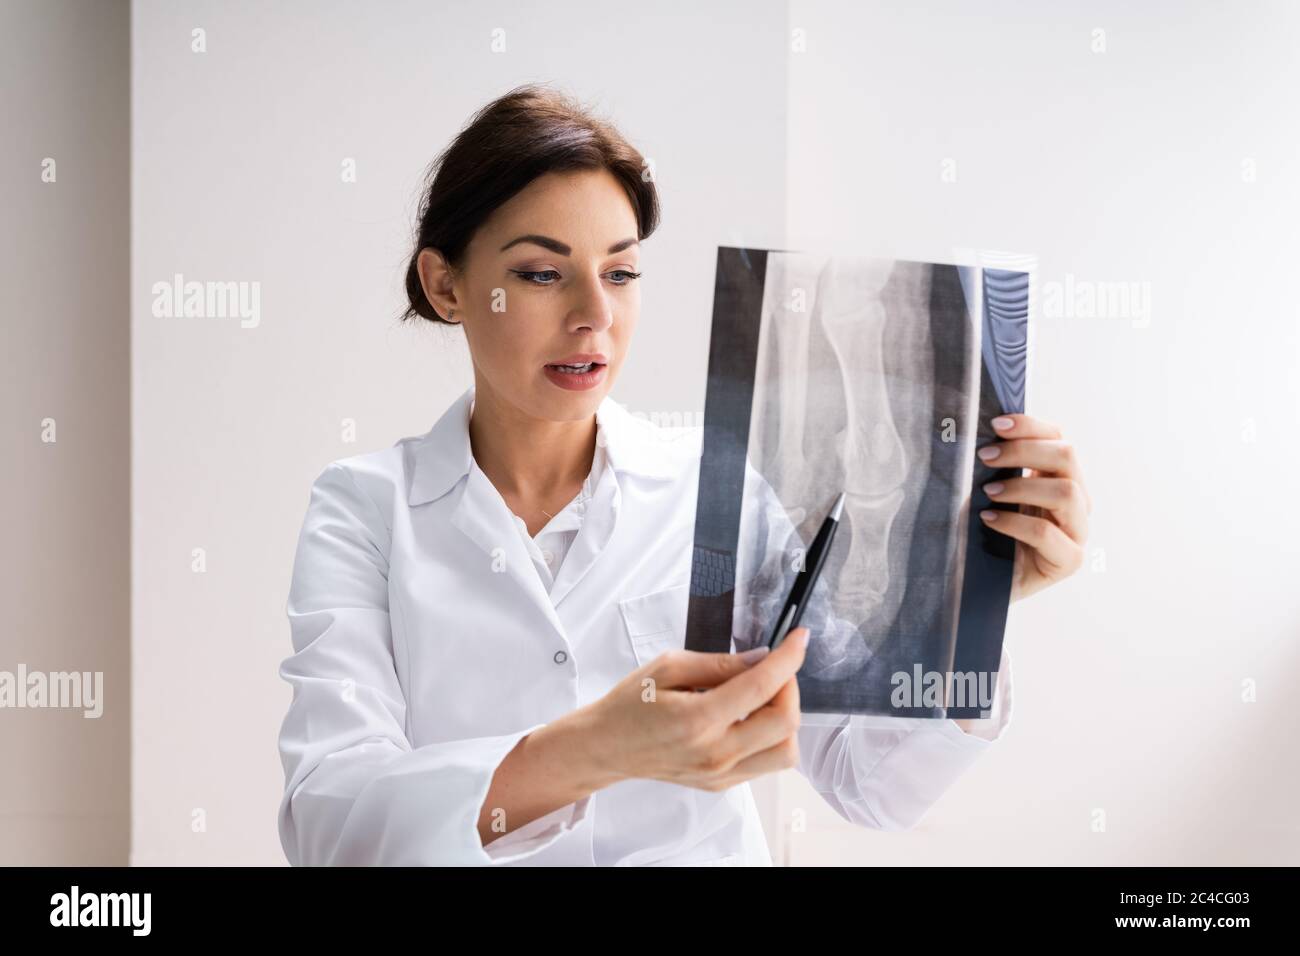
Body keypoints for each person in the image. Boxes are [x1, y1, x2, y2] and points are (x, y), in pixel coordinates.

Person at [275, 83, 1091, 866]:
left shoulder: (713, 486)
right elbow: (332, 822)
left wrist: (975, 609)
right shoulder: (366, 510)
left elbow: (869, 781)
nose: (594, 312)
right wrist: (596, 747)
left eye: (621, 272)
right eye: (540, 272)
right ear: (446, 283)